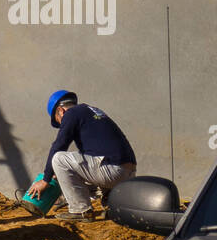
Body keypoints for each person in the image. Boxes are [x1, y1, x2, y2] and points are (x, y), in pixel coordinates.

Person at [27, 90, 137, 221]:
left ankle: (80, 210)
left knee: (59, 159)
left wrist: (45, 180)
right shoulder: (91, 112)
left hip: (112, 171)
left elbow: (58, 146)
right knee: (81, 161)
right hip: (127, 173)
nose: (62, 124)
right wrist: (58, 174)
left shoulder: (71, 114)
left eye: (59, 121)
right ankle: (112, 206)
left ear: (61, 111)